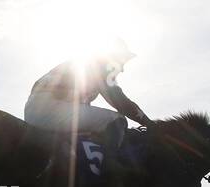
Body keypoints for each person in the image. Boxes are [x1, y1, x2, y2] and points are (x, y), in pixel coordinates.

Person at [23, 37, 152, 150]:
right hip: (51, 110)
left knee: (91, 123)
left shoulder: (83, 63)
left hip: (34, 109)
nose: (122, 69)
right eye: (122, 61)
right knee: (117, 120)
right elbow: (121, 103)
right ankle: (110, 168)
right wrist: (150, 125)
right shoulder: (101, 66)